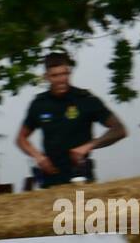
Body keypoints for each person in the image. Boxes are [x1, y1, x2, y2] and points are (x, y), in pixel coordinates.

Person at [16, 52, 127, 188]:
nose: (61, 79)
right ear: (46, 77)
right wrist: (38, 157)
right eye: (55, 75)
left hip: (80, 175)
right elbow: (21, 138)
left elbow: (119, 129)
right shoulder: (39, 104)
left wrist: (88, 146)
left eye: (64, 74)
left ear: (69, 73)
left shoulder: (85, 100)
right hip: (50, 178)